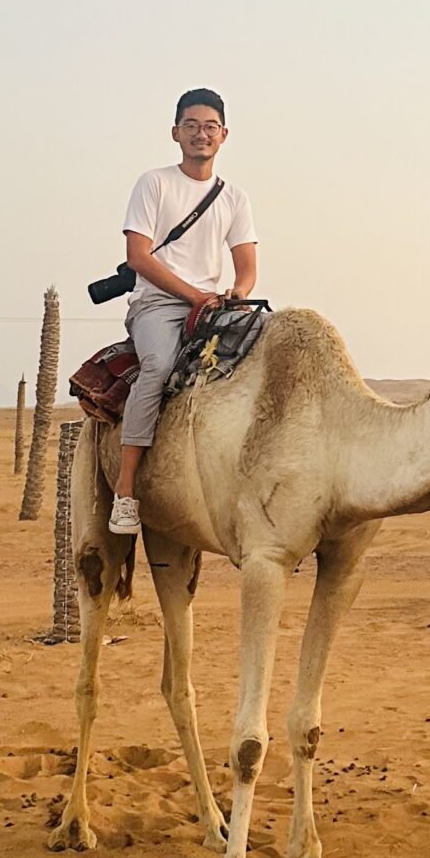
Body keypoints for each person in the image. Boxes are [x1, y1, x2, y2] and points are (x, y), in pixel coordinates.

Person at [108, 89, 258, 537]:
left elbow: (247, 267)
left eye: (210, 127)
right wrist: (194, 296)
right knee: (157, 367)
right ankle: (125, 492)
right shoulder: (154, 183)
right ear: (176, 133)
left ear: (224, 135)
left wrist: (238, 293)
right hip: (158, 303)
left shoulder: (235, 198)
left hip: (212, 305)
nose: (201, 134)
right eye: (191, 125)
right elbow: (138, 256)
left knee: (269, 350)